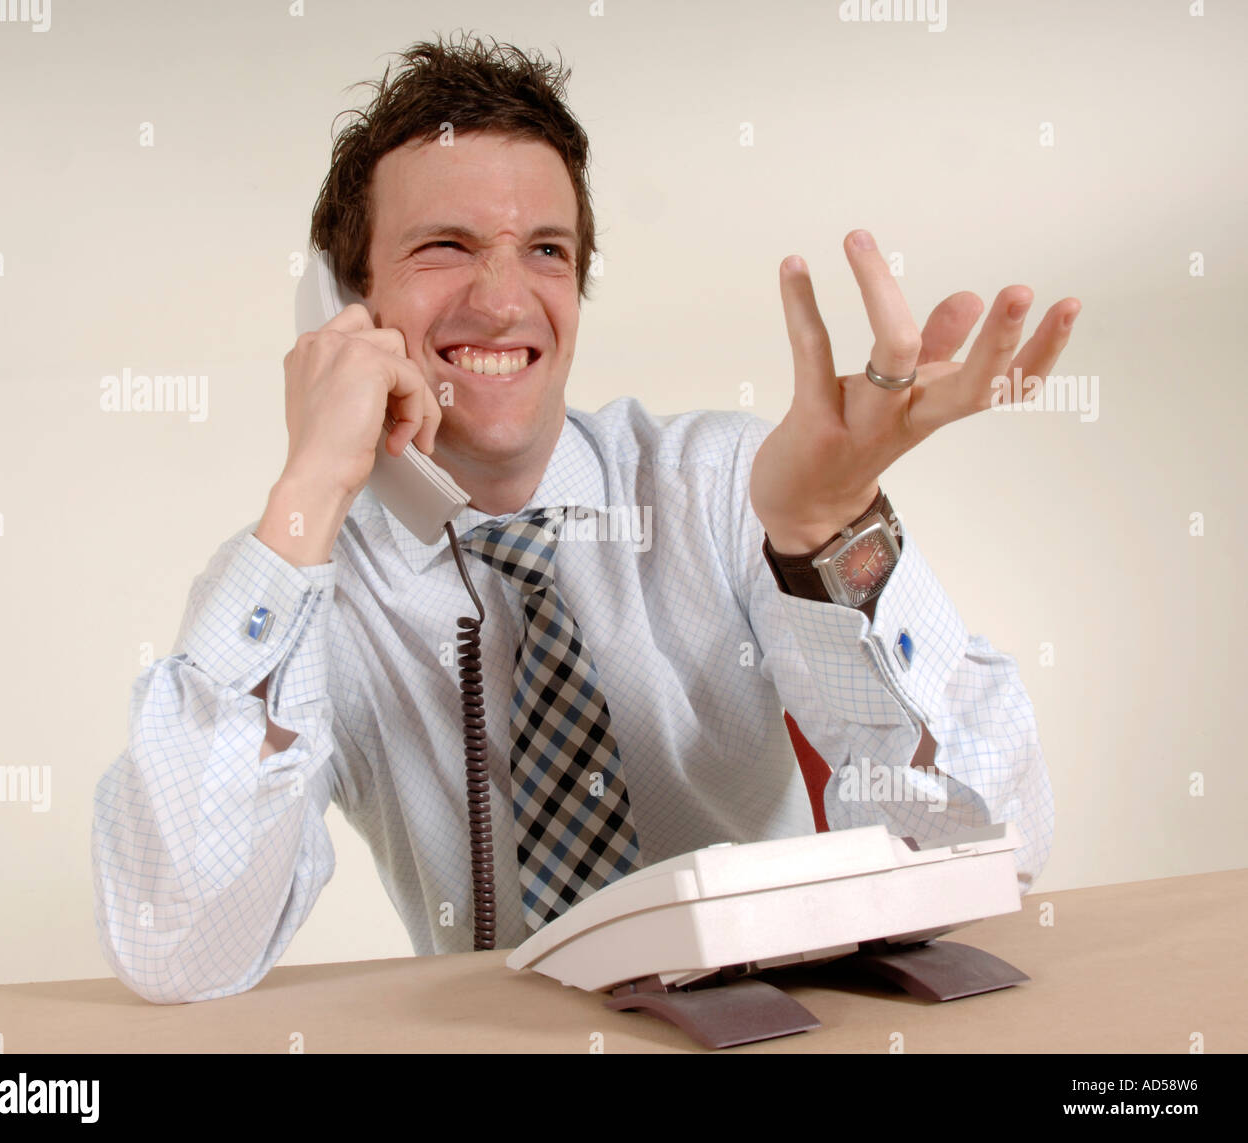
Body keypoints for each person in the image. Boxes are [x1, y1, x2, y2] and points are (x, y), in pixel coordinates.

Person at [92, 32, 1076, 1004]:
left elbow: (985, 853)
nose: (503, 298)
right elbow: (180, 947)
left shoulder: (730, 483)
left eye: (546, 251)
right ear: (347, 302)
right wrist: (308, 490)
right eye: (445, 246)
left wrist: (832, 541)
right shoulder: (298, 584)